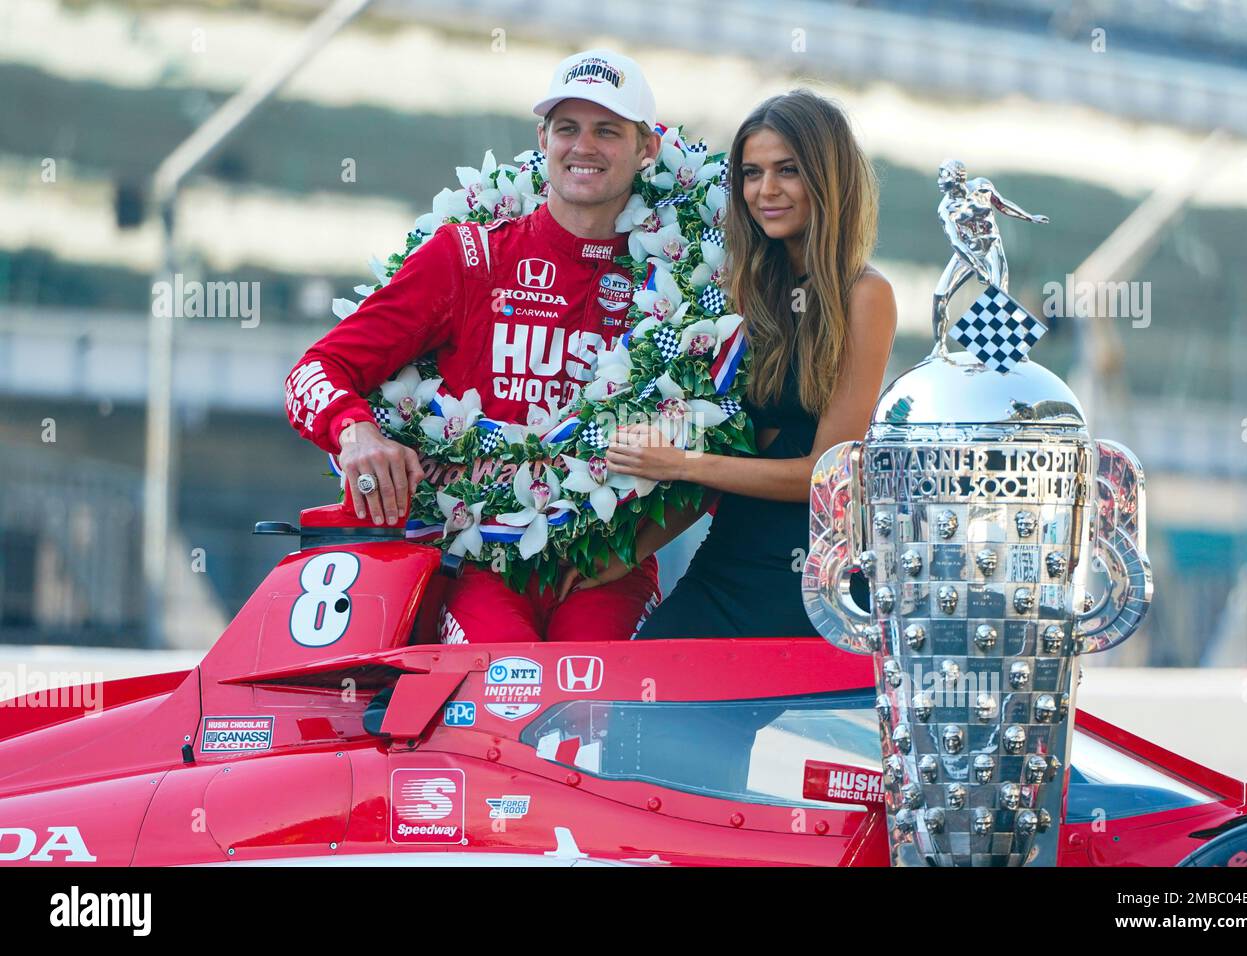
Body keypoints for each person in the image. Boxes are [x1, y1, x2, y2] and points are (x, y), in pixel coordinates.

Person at [284, 49, 664, 644]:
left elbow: (713, 449)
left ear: (648, 149)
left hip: (607, 565)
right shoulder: (467, 258)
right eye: (567, 128)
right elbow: (315, 369)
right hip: (475, 559)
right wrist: (355, 432)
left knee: (597, 712)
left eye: (607, 131)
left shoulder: (674, 285)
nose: (583, 146)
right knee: (504, 694)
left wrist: (633, 548)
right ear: (542, 138)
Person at [603, 89, 897, 639]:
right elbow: (731, 452)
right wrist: (628, 555)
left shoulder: (865, 296)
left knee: (666, 717)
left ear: (829, 178)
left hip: (804, 572)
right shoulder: (744, 288)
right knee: (636, 707)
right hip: (728, 554)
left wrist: (678, 462)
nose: (766, 191)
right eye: (751, 172)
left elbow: (824, 474)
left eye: (788, 170)